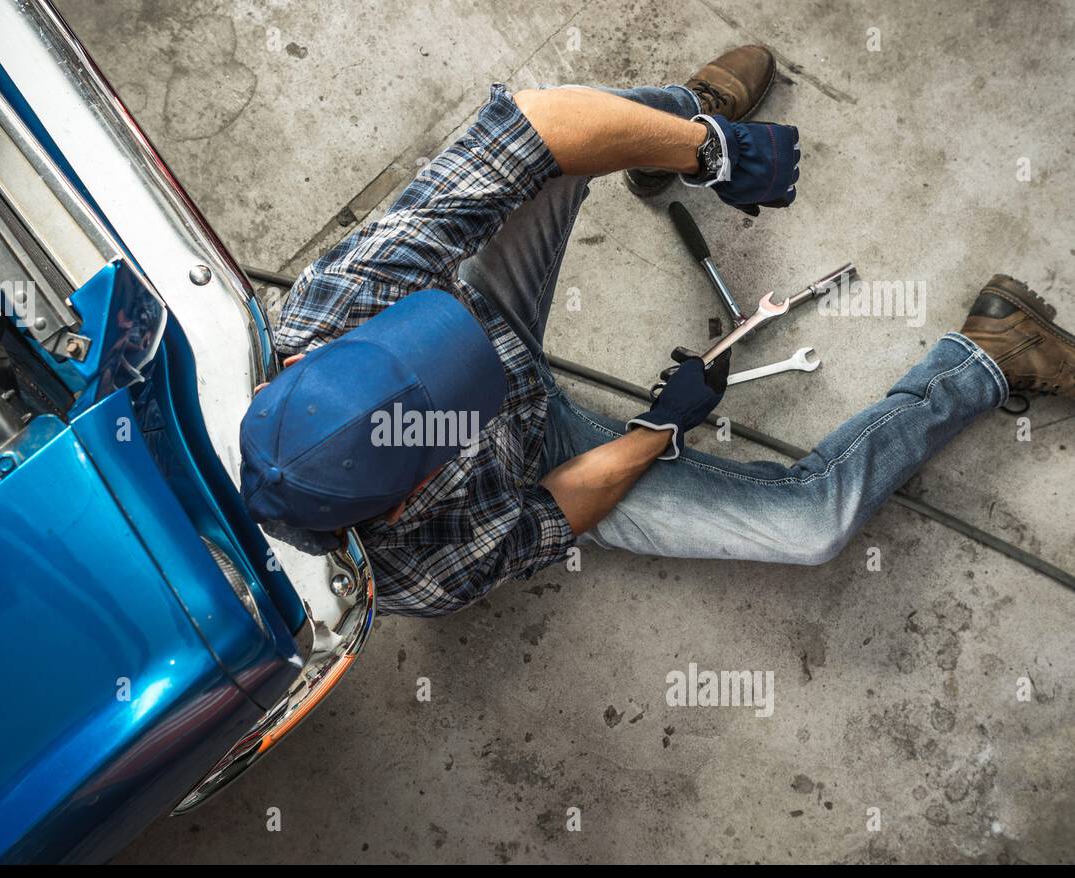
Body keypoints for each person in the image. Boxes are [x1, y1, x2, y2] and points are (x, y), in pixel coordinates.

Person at [239, 46, 1074, 618]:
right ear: (415, 492)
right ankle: (990, 358)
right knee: (810, 526)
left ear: (308, 360)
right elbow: (558, 508)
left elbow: (527, 127)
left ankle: (678, 126)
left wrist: (709, 149)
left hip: (489, 309)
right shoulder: (416, 572)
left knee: (571, 135)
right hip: (542, 453)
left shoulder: (332, 304)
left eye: (404, 344)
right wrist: (658, 429)